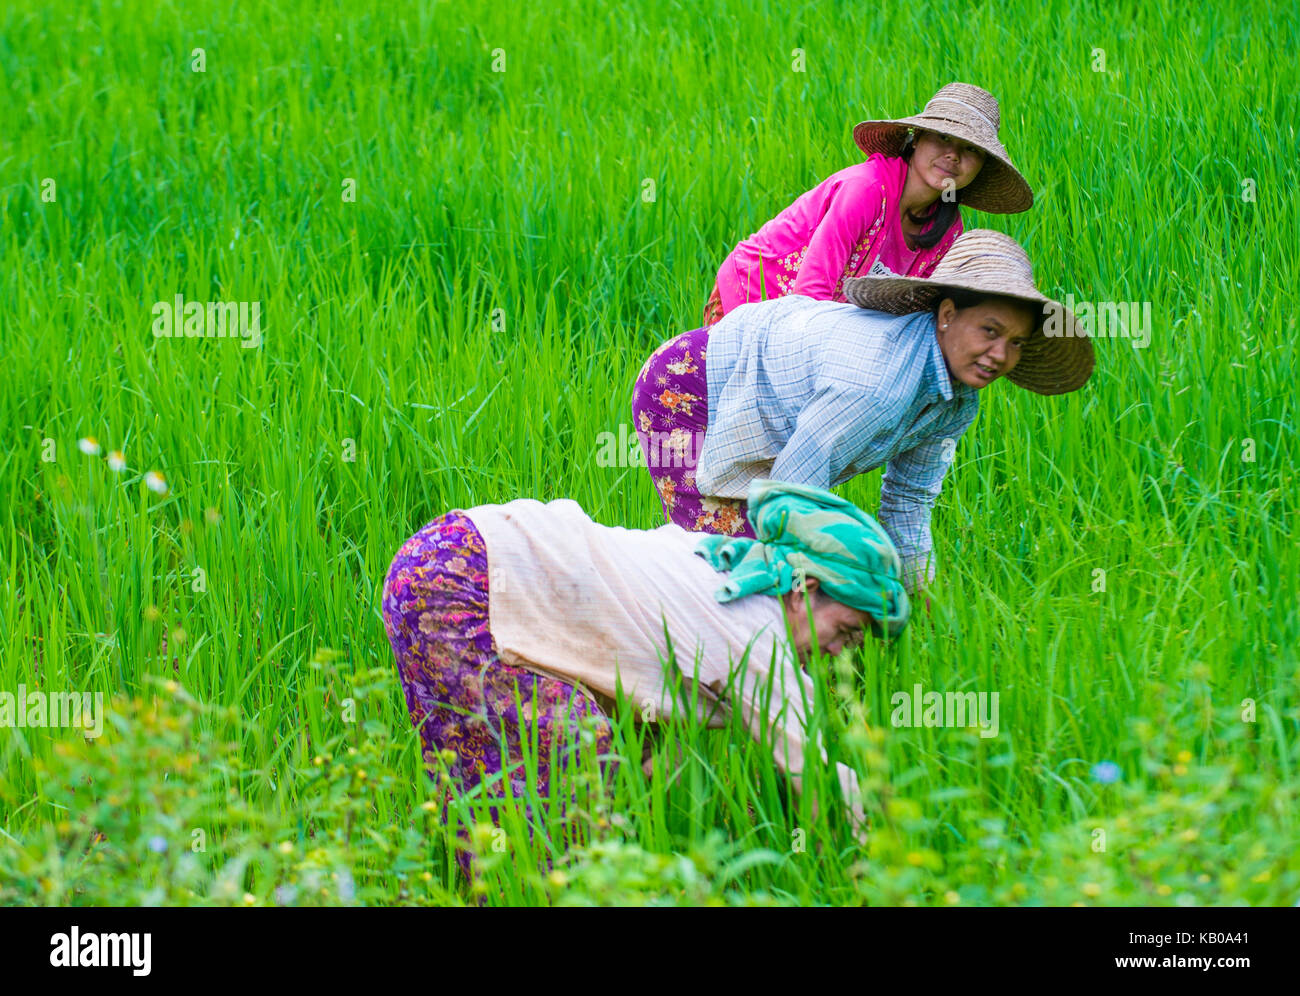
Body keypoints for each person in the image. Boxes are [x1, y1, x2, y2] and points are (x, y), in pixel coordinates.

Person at [381, 479, 910, 878]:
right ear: (803, 588)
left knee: (500, 777)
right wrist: (866, 865)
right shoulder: (755, 630)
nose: (841, 651)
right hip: (463, 581)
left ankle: (473, 879)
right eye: (846, 630)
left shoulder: (726, 570)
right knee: (570, 758)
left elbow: (654, 736)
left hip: (443, 557)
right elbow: (812, 777)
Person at [631, 228, 1094, 591]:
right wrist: (834, 578)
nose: (999, 354)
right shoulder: (876, 383)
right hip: (687, 387)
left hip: (756, 404)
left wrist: (920, 598)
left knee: (762, 561)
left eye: (1015, 342)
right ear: (948, 314)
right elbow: (793, 497)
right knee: (736, 562)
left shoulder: (955, 404)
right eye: (989, 331)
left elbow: (908, 503)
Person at [701, 81, 1032, 326]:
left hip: (823, 317)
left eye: (971, 149)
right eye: (943, 138)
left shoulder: (947, 230)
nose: (953, 156)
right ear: (916, 139)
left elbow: (912, 314)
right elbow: (809, 291)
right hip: (755, 295)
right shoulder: (867, 189)